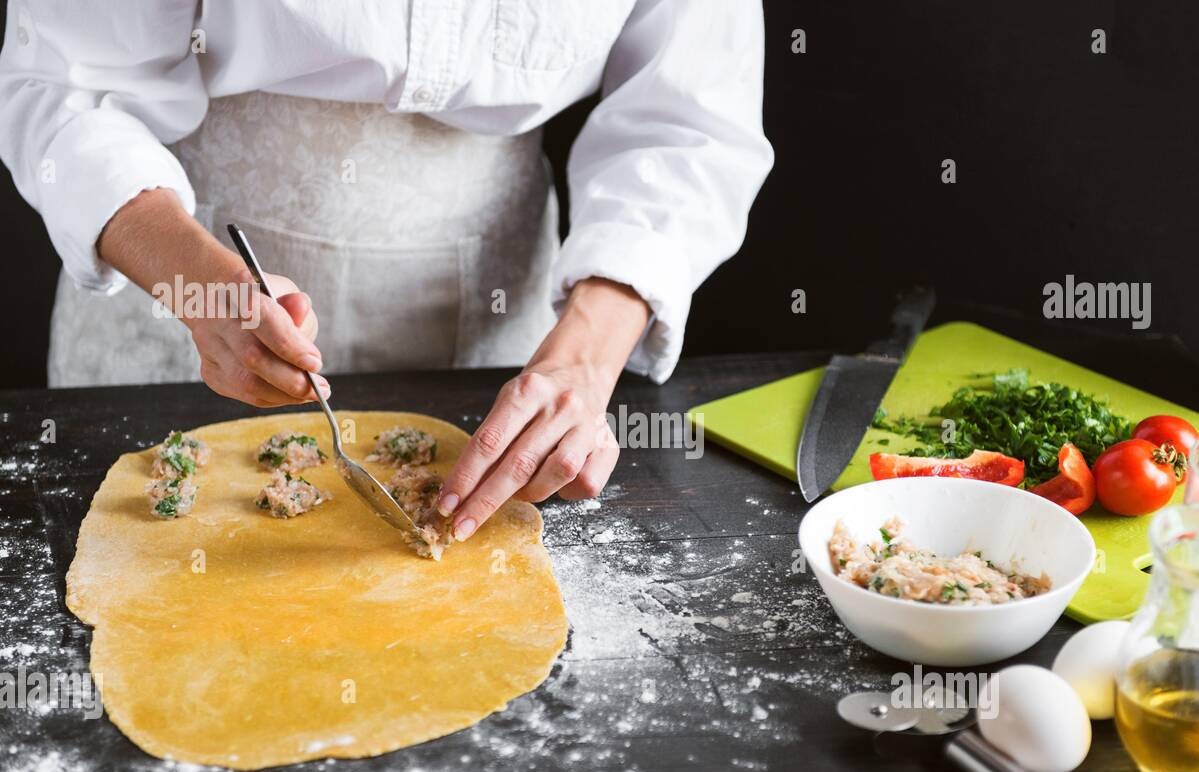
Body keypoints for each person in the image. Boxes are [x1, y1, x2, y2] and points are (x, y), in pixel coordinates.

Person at [0, 1, 772, 539]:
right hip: (170, 295)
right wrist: (194, 280)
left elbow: (692, 117)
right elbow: (64, 81)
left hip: (497, 333)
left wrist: (585, 357)